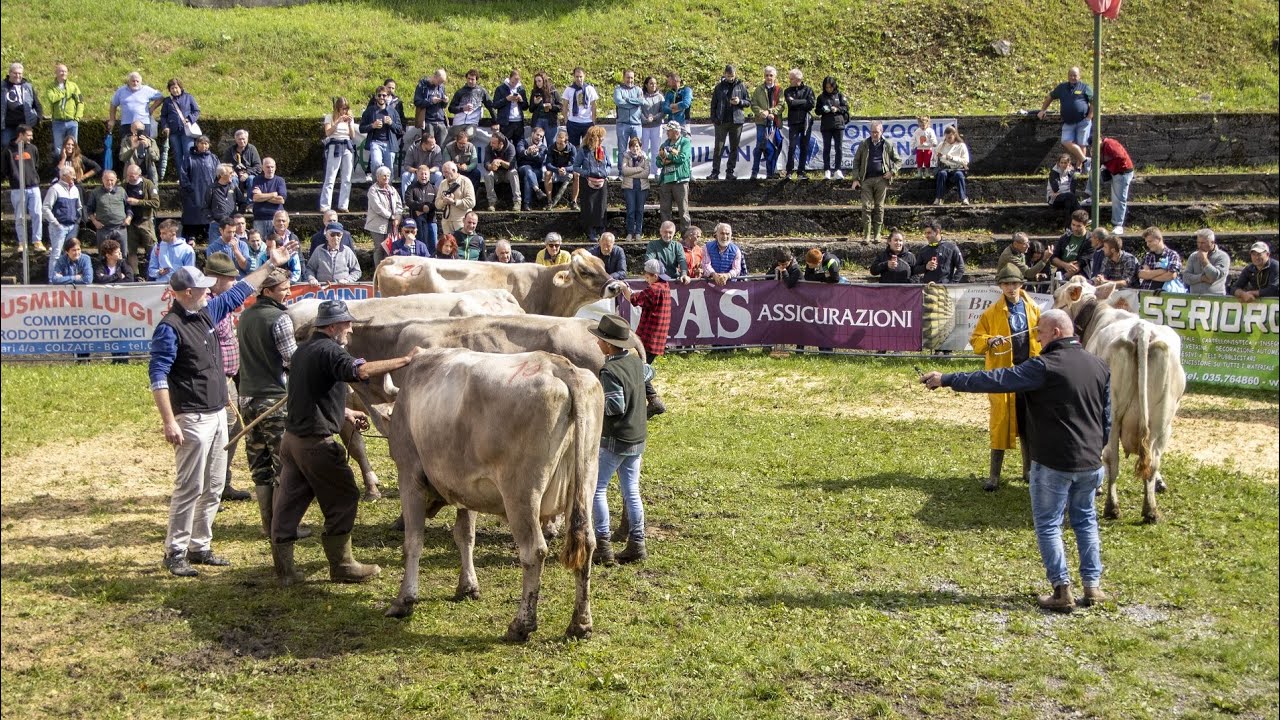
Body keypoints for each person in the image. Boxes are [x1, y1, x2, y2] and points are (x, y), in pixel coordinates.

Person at [922, 309, 1112, 612]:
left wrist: (946, 379)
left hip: (1053, 462)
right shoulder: (1099, 365)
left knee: (1049, 524)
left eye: (1041, 332)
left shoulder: (1044, 366)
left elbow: (997, 379)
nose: (1035, 337)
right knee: (1085, 520)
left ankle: (1062, 590)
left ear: (1058, 333)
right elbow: (1106, 419)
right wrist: (1096, 450)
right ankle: (1093, 586)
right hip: (1091, 463)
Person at [149, 240, 298, 577]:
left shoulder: (205, 313)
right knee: (189, 485)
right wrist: (169, 421)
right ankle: (175, 550)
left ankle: (200, 545)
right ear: (186, 292)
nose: (208, 292)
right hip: (191, 414)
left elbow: (239, 291)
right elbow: (157, 377)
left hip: (216, 411)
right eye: (201, 288)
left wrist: (269, 264)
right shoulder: (169, 330)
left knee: (215, 483)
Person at [269, 300, 420, 586]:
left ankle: (285, 571)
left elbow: (310, 392)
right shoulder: (330, 350)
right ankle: (342, 565)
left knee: (289, 501)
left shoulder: (304, 350)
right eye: (347, 324)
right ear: (333, 326)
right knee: (344, 496)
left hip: (292, 441)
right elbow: (360, 372)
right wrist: (404, 360)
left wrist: (345, 412)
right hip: (316, 444)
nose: (350, 330)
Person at [236, 268, 297, 537]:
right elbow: (291, 359)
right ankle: (280, 526)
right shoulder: (280, 319)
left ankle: (266, 524)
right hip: (272, 398)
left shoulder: (245, 315)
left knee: (259, 463)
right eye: (284, 288)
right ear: (268, 290)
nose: (289, 292)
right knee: (282, 464)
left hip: (247, 398)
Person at [589, 314, 653, 566]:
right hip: (637, 438)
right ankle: (637, 543)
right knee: (631, 491)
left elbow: (615, 406)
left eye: (599, 340)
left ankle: (602, 544)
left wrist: (594, 403)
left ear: (608, 344)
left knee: (597, 489)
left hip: (615, 439)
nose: (596, 344)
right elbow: (650, 372)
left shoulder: (609, 370)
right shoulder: (637, 363)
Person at [973, 265, 1043, 490]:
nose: (1011, 288)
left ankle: (1028, 470)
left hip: (1030, 374)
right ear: (1000, 286)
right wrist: (989, 341)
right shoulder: (991, 312)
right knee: (1000, 422)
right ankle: (994, 476)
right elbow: (976, 340)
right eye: (1006, 284)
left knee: (1029, 423)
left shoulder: (1033, 309)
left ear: (1021, 284)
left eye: (1014, 284)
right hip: (1004, 375)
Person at [202, 252, 254, 502]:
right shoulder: (208, 305)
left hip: (229, 376)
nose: (234, 282)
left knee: (232, 428)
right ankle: (211, 488)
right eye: (231, 278)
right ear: (217, 279)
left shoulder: (219, 302)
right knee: (220, 431)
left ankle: (222, 483)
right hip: (218, 378)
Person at [618, 259, 672, 417]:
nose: (645, 279)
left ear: (654, 276)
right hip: (657, 338)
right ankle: (651, 400)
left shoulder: (654, 289)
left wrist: (623, 288)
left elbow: (634, 299)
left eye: (647, 276)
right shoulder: (665, 286)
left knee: (638, 370)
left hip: (649, 337)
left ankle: (653, 401)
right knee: (640, 369)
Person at [850, 122, 901, 242]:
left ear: (881, 131)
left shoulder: (888, 144)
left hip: (881, 179)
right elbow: (856, 162)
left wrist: (892, 172)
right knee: (866, 207)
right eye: (872, 132)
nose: (874, 134)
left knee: (879, 207)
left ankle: (877, 234)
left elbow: (898, 161)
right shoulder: (864, 144)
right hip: (866, 180)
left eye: (876, 132)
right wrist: (855, 179)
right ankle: (866, 235)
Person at [1037, 66, 1093, 162]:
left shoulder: (1085, 87)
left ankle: (1079, 169)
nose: (1072, 77)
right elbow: (1050, 96)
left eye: (1075, 75)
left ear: (1079, 76)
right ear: (1068, 76)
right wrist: (1043, 110)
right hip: (1068, 122)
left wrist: (1089, 116)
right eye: (1070, 75)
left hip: (1083, 121)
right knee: (1065, 141)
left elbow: (1094, 102)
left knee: (1081, 144)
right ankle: (1085, 161)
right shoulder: (1062, 87)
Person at [708, 65, 750, 180]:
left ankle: (730, 171)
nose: (731, 78)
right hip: (721, 121)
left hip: (736, 121)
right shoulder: (719, 87)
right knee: (718, 148)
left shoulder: (741, 86)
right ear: (724, 74)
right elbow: (713, 104)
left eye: (732, 76)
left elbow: (748, 102)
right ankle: (715, 172)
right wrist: (714, 118)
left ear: (735, 74)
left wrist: (739, 101)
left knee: (734, 148)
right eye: (728, 76)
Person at [157, 78, 201, 184]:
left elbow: (196, 111)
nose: (174, 90)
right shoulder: (167, 101)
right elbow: (163, 116)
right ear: (169, 90)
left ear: (180, 87)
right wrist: (165, 126)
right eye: (172, 88)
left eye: (176, 87)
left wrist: (189, 119)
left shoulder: (189, 97)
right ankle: (182, 177)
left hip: (186, 131)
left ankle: (190, 176)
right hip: (173, 132)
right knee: (177, 154)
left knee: (188, 152)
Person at [7, 125, 42, 251]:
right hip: (17, 189)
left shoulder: (33, 148)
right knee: (20, 216)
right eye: (28, 135)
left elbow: (36, 165)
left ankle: (37, 241)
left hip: (33, 187)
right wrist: (15, 179)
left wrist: (33, 178)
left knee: (37, 214)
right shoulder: (9, 150)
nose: (31, 138)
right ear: (20, 135)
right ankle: (22, 242)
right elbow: (6, 169)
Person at [320, 97, 357, 213]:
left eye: (346, 109)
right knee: (330, 177)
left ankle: (343, 204)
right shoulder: (330, 117)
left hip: (347, 145)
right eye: (342, 109)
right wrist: (338, 121)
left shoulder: (350, 118)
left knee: (346, 178)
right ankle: (325, 205)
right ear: (337, 108)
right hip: (334, 145)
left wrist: (350, 124)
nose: (344, 111)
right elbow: (328, 132)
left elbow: (353, 136)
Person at [574, 125, 610, 243]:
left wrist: (606, 173)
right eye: (600, 137)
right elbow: (576, 166)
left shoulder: (603, 150)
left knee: (601, 205)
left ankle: (601, 227)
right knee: (589, 206)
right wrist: (587, 173)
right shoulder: (583, 151)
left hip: (601, 182)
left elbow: (609, 165)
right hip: (588, 182)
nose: (602, 139)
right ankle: (590, 229)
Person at [180, 135, 218, 242]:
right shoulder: (189, 157)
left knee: (208, 213)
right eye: (201, 143)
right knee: (193, 213)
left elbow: (218, 173)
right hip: (193, 191)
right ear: (197, 144)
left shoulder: (213, 158)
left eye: (206, 143)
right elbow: (183, 174)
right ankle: (191, 234)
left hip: (209, 190)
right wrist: (188, 187)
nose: (204, 146)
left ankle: (206, 233)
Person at [360, 84, 403, 176]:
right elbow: (361, 128)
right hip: (375, 142)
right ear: (376, 96)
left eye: (384, 95)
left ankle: (389, 188)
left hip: (389, 143)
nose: (381, 97)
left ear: (387, 97)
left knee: (389, 168)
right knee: (376, 163)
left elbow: (400, 129)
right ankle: (375, 187)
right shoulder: (369, 111)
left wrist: (391, 123)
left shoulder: (393, 112)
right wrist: (372, 126)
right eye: (379, 95)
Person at [750, 66, 784, 180]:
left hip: (774, 122)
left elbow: (781, 105)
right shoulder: (758, 89)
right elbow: (753, 104)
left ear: (775, 77)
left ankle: (770, 173)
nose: (769, 77)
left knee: (773, 148)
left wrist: (771, 112)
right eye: (766, 75)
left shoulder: (779, 90)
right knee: (759, 146)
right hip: (761, 122)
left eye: (771, 75)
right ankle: (754, 172)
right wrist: (761, 113)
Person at [656, 121, 692, 233]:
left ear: (676, 131)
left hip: (680, 180)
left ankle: (686, 234)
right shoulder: (664, 144)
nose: (667, 132)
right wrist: (665, 160)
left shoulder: (685, 142)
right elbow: (658, 161)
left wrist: (668, 157)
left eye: (669, 130)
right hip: (666, 180)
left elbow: (682, 158)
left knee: (683, 209)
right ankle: (666, 233)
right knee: (665, 209)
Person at [1096, 136, 1135, 235]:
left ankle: (1118, 225)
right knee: (1093, 174)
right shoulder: (1101, 147)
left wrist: (1104, 162)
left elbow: (1119, 157)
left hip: (1122, 172)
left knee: (1118, 198)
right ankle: (1091, 195)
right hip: (1113, 170)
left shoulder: (1110, 144)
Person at [107, 72, 161, 143]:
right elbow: (113, 104)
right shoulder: (121, 91)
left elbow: (161, 97)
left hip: (143, 123)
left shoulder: (147, 90)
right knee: (127, 147)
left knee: (144, 146)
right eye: (133, 81)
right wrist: (112, 119)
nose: (135, 83)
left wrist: (152, 108)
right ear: (128, 81)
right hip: (126, 124)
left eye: (137, 81)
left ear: (140, 82)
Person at [366, 166, 403, 267]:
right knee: (379, 248)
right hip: (377, 224)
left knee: (389, 247)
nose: (386, 178)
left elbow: (399, 204)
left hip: (391, 224)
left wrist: (398, 216)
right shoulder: (373, 190)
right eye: (384, 176)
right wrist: (392, 216)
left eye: (388, 176)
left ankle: (387, 270)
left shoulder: (392, 189)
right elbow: (377, 207)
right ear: (377, 177)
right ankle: (378, 270)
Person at [42, 165, 81, 258]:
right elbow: (45, 208)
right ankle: (53, 273)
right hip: (59, 227)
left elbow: (79, 207)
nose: (74, 177)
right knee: (56, 255)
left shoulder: (75, 189)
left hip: (72, 227)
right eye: (72, 175)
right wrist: (55, 223)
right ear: (63, 176)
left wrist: (77, 222)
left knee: (71, 255)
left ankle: (67, 273)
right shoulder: (55, 189)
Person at [782, 68, 815, 180]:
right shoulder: (787, 91)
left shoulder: (808, 90)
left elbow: (811, 104)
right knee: (792, 146)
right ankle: (789, 171)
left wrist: (796, 102)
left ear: (798, 79)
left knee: (804, 147)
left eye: (791, 78)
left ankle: (801, 171)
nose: (789, 80)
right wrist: (803, 101)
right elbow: (790, 103)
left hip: (805, 122)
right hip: (794, 122)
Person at [815, 76, 849, 180]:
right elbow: (817, 111)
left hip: (838, 125)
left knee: (838, 148)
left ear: (834, 86)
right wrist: (823, 110)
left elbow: (846, 107)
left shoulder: (840, 95)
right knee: (827, 148)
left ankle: (838, 169)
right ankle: (827, 170)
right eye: (827, 87)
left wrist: (837, 109)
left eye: (830, 87)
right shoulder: (821, 97)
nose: (829, 89)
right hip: (826, 125)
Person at [2, 63, 42, 150]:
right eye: (15, 73)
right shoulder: (2, 86)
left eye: (20, 73)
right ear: (9, 73)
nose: (17, 76)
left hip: (24, 125)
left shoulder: (28, 86)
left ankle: (23, 164)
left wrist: (39, 117)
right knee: (5, 145)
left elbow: (37, 104)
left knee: (25, 148)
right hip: (8, 125)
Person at [221, 129, 261, 213]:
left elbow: (258, 166)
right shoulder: (230, 150)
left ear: (247, 139)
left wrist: (247, 173)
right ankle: (235, 203)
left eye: (244, 139)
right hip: (235, 175)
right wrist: (232, 172)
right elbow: (224, 165)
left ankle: (250, 204)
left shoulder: (252, 149)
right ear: (235, 140)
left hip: (248, 175)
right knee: (233, 180)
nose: (242, 141)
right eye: (239, 139)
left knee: (251, 179)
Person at [1180, 229, 1230, 295]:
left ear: (1212, 242)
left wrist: (1204, 260)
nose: (1199, 246)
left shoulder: (1222, 257)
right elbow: (1186, 277)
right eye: (1198, 242)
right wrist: (1201, 278)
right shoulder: (1193, 256)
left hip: (1215, 298)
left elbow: (1214, 276)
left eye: (1203, 243)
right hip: (1195, 298)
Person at [481, 131, 521, 212]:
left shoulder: (510, 147)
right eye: (491, 142)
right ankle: (492, 202)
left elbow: (511, 165)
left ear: (501, 143)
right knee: (487, 174)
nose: (491, 144)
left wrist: (500, 161)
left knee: (513, 172)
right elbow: (486, 164)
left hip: (507, 173)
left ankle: (517, 201)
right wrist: (491, 166)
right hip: (496, 174)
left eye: (494, 143)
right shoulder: (489, 147)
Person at [87, 170, 128, 247]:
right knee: (103, 255)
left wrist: (128, 218)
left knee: (122, 255)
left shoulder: (121, 191)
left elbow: (128, 207)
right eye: (107, 180)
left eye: (111, 180)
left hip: (120, 227)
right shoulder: (95, 192)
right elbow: (89, 209)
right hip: (103, 229)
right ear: (103, 180)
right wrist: (95, 222)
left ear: (116, 180)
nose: (109, 182)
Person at [620, 136, 650, 242]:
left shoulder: (645, 157)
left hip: (642, 188)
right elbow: (624, 171)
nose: (635, 148)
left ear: (640, 147)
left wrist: (632, 172)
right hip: (629, 188)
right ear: (630, 147)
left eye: (637, 146)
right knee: (631, 210)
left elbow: (646, 173)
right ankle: (629, 232)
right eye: (632, 146)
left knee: (640, 210)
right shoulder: (626, 156)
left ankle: (638, 233)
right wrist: (638, 169)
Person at [434, 161, 476, 235]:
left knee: (462, 245)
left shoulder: (465, 181)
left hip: (461, 221)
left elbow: (471, 202)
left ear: (454, 170)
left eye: (446, 172)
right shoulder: (443, 183)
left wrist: (454, 202)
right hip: (446, 222)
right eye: (443, 172)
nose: (444, 174)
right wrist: (444, 201)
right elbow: (437, 204)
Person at [403, 165, 439, 251]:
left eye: (425, 174)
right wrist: (421, 207)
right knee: (419, 246)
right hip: (416, 223)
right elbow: (408, 201)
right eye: (421, 174)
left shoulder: (434, 188)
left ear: (429, 175)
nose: (423, 176)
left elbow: (438, 203)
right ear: (417, 175)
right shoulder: (411, 188)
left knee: (433, 245)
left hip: (431, 221)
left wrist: (428, 207)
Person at [1135, 227, 1182, 291]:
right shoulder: (1148, 256)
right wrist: (1163, 271)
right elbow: (1141, 274)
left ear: (1159, 239)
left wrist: (1150, 276)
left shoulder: (1172, 255)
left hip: (1165, 294)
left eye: (1150, 241)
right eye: (1146, 242)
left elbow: (1171, 276)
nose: (1147, 244)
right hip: (1147, 294)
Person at [447, 69, 492, 137]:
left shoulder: (481, 92)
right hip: (459, 122)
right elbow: (451, 109)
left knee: (469, 135)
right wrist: (462, 108)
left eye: (472, 79)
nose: (470, 81)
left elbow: (490, 106)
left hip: (472, 123)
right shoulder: (460, 92)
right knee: (453, 136)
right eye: (468, 78)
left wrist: (495, 122)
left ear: (476, 80)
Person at [250, 158, 287, 239]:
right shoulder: (257, 180)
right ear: (263, 168)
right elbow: (255, 198)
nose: (270, 169)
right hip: (259, 218)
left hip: (275, 219)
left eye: (272, 167)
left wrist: (262, 195)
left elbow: (281, 200)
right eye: (267, 167)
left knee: (276, 244)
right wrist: (273, 194)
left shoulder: (280, 181)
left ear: (275, 167)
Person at [933, 125, 970, 205]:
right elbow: (936, 157)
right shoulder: (942, 145)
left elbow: (965, 161)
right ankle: (938, 198)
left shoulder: (961, 145)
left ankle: (963, 198)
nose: (948, 139)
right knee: (942, 174)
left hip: (957, 168)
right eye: (946, 137)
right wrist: (939, 157)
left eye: (950, 137)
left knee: (959, 175)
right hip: (945, 168)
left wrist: (952, 158)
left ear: (955, 135)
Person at [613, 69, 643, 166]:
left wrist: (627, 100)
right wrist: (634, 103)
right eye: (627, 77)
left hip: (636, 124)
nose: (629, 80)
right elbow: (619, 102)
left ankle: (636, 170)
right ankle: (622, 172)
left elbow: (641, 102)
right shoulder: (618, 90)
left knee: (637, 149)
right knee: (622, 150)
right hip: (622, 124)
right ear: (623, 78)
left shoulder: (638, 90)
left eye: (631, 78)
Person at [562, 67, 598, 148]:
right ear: (574, 77)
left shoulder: (590, 89)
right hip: (573, 122)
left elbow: (594, 106)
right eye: (577, 76)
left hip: (587, 122)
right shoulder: (569, 89)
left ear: (584, 76)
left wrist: (593, 121)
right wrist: (566, 121)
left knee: (588, 147)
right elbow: (564, 106)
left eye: (580, 76)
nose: (579, 79)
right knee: (573, 148)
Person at [264, 211, 304, 283]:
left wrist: (302, 277)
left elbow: (300, 259)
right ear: (273, 222)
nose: (281, 223)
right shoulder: (267, 237)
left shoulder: (294, 238)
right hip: (271, 280)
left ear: (288, 223)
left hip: (291, 280)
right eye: (278, 220)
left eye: (283, 221)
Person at [514, 126, 548, 211]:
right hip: (522, 168)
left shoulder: (542, 147)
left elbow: (541, 159)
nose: (539, 138)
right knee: (528, 168)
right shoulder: (523, 142)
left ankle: (527, 204)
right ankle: (537, 190)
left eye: (541, 136)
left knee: (528, 177)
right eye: (537, 135)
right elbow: (519, 153)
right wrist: (527, 152)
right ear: (532, 134)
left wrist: (536, 154)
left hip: (536, 171)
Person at [1052, 210, 1092, 279]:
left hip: (1081, 277)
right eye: (1073, 225)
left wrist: (1065, 276)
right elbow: (1053, 258)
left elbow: (1082, 263)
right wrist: (1065, 265)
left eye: (1079, 226)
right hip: (1061, 273)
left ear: (1085, 225)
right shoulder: (1065, 237)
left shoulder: (1090, 240)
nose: (1075, 228)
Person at [413, 68, 449, 144]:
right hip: (428, 121)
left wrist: (445, 101)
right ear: (434, 77)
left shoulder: (441, 87)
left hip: (441, 121)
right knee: (429, 147)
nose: (440, 84)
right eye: (439, 81)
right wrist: (431, 101)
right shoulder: (422, 86)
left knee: (443, 148)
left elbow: (443, 106)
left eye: (442, 82)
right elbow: (417, 102)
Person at [402, 131, 444, 196]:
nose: (434, 146)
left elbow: (438, 166)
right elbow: (407, 166)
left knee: (439, 175)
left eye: (434, 143)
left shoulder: (437, 149)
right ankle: (406, 200)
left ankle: (437, 199)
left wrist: (428, 171)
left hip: (430, 174)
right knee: (405, 175)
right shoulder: (412, 148)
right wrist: (416, 171)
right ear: (424, 144)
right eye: (432, 144)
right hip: (416, 174)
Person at [119, 119, 161, 185]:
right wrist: (132, 148)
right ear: (131, 129)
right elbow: (122, 158)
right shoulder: (126, 142)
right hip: (131, 176)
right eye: (136, 129)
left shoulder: (151, 141)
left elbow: (156, 158)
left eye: (140, 130)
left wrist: (148, 147)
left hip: (148, 176)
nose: (138, 132)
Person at [544, 129, 576, 208]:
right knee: (547, 173)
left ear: (566, 142)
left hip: (567, 172)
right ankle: (549, 201)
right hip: (555, 171)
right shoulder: (551, 147)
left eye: (561, 144)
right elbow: (548, 164)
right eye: (557, 143)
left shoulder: (572, 148)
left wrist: (566, 169)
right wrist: (557, 170)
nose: (558, 146)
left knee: (577, 174)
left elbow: (574, 165)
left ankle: (574, 202)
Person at [205, 163, 237, 242]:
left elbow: (242, 202)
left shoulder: (234, 187)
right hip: (216, 225)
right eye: (230, 173)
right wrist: (211, 219)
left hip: (231, 225)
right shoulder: (212, 188)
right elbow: (205, 206)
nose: (233, 175)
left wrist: (238, 215)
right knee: (215, 252)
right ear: (222, 175)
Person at [640, 76, 665, 177]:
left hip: (656, 126)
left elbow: (663, 111)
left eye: (655, 83)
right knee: (643, 150)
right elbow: (638, 110)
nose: (653, 85)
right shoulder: (641, 96)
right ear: (646, 85)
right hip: (644, 126)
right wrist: (645, 119)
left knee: (656, 150)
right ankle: (643, 171)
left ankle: (656, 171)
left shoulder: (660, 97)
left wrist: (655, 117)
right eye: (651, 83)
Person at [1046, 153, 1080, 223]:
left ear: (1069, 163)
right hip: (1053, 199)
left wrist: (1064, 191)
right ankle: (1081, 215)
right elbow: (1056, 189)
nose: (1063, 165)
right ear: (1058, 163)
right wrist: (1066, 190)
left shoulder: (1071, 173)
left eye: (1065, 163)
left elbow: (1073, 189)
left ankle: (1068, 228)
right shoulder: (1053, 173)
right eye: (1061, 163)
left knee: (1068, 203)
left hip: (1066, 198)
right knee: (1070, 196)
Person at [528, 71, 560, 142]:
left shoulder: (552, 91)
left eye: (539, 81)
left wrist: (551, 107)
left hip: (550, 121)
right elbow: (530, 109)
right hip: (538, 121)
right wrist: (535, 103)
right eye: (536, 81)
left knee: (551, 144)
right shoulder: (534, 91)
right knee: (536, 143)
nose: (537, 83)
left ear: (544, 81)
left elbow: (560, 106)